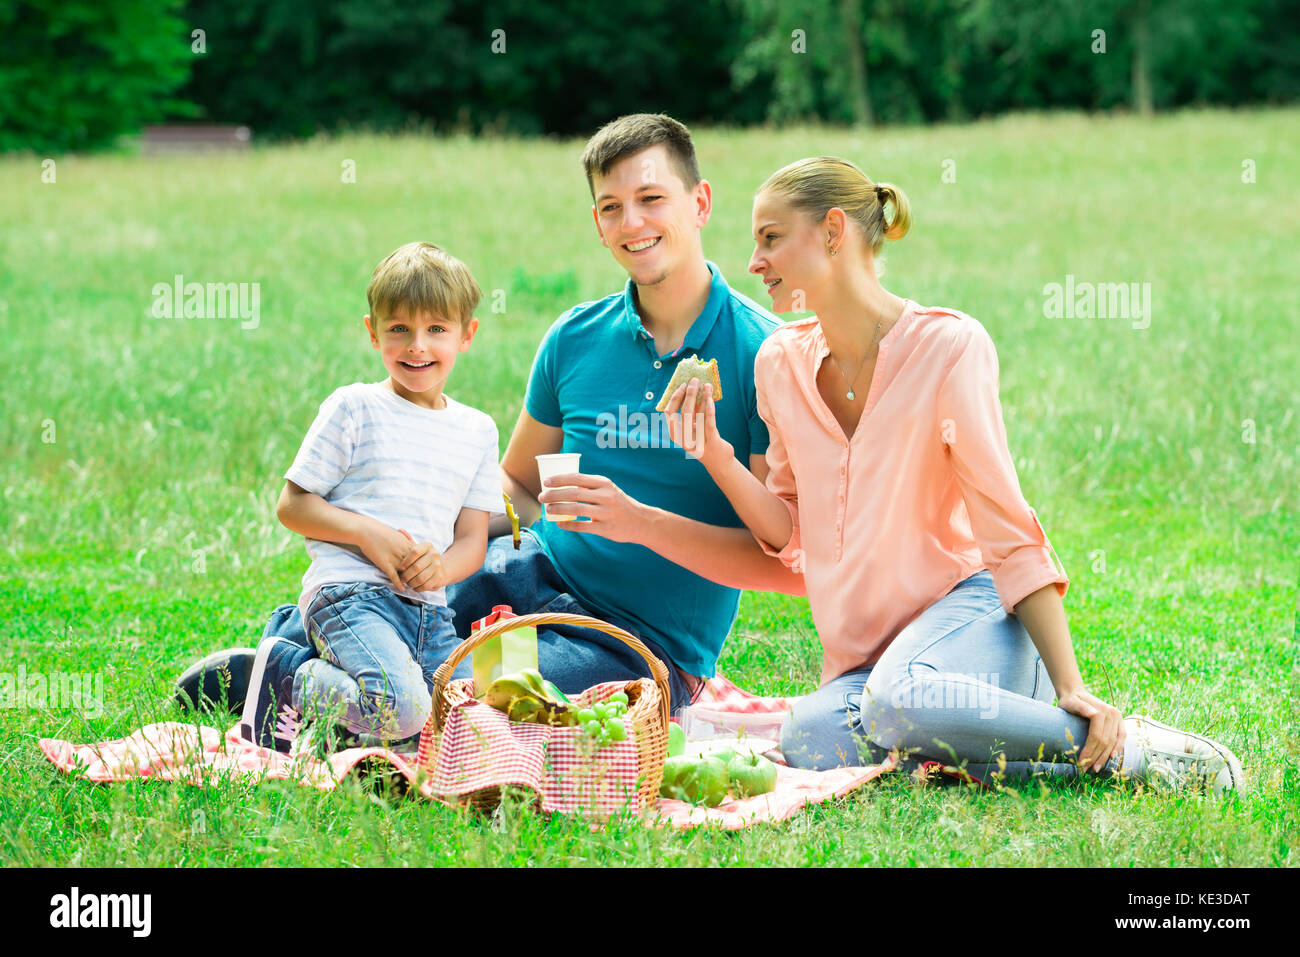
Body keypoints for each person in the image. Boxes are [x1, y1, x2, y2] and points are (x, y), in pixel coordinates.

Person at [176, 114, 802, 727]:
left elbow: (781, 562)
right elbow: (520, 489)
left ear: (700, 203)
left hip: (637, 640)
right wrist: (425, 527)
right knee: (386, 611)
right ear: (597, 224)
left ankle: (283, 673)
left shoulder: (765, 357)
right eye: (611, 207)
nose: (631, 222)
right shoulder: (575, 339)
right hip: (531, 570)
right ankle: (301, 652)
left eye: (651, 198)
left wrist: (640, 523)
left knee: (466, 701)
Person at [663, 155, 1243, 791]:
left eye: (771, 238)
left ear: (834, 231)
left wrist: (1072, 685)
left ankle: (1128, 746)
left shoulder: (949, 347)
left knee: (894, 704)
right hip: (867, 666)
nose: (754, 261)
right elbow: (791, 532)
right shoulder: (780, 364)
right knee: (809, 738)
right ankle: (990, 752)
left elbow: (1006, 525)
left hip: (975, 622)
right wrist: (714, 454)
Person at [241, 241, 503, 754]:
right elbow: (291, 506)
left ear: (467, 334)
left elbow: (472, 540)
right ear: (372, 331)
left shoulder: (477, 429)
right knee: (403, 709)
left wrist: (442, 571)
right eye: (399, 329)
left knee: (470, 723)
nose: (417, 347)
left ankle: (341, 720)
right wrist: (369, 533)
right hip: (351, 596)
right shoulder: (355, 407)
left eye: (436, 330)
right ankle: (286, 673)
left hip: (429, 611)